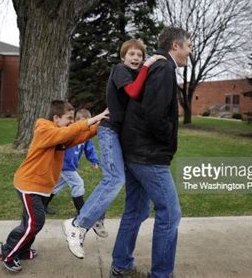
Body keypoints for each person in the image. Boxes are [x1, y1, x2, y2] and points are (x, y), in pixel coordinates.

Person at [63, 39, 165, 259]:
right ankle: (77, 225)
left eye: (140, 55)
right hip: (109, 131)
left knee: (121, 179)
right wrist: (149, 64)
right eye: (132, 54)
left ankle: (97, 215)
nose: (136, 58)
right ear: (123, 57)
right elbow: (132, 92)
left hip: (123, 135)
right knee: (114, 179)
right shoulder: (120, 70)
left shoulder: (136, 73)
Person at [110, 27, 192, 278]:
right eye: (188, 45)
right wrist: (168, 139)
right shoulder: (164, 68)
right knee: (170, 213)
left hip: (135, 151)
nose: (190, 51)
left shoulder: (156, 66)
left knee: (137, 210)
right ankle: (161, 274)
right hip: (148, 155)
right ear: (175, 46)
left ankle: (121, 265)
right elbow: (154, 113)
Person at [0, 100, 108, 272]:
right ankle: (8, 253)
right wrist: (95, 117)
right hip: (29, 185)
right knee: (35, 223)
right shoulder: (44, 129)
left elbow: (78, 136)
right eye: (69, 118)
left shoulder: (59, 133)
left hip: (41, 187)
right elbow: (71, 131)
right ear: (56, 118)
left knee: (30, 222)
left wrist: (99, 125)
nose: (72, 122)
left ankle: (23, 250)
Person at [44, 109, 108, 237]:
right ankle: (82, 212)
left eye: (88, 122)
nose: (86, 124)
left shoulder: (86, 136)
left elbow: (89, 149)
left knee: (55, 187)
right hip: (65, 166)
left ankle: (41, 205)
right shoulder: (70, 133)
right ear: (76, 122)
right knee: (78, 184)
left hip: (69, 167)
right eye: (82, 122)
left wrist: (94, 160)